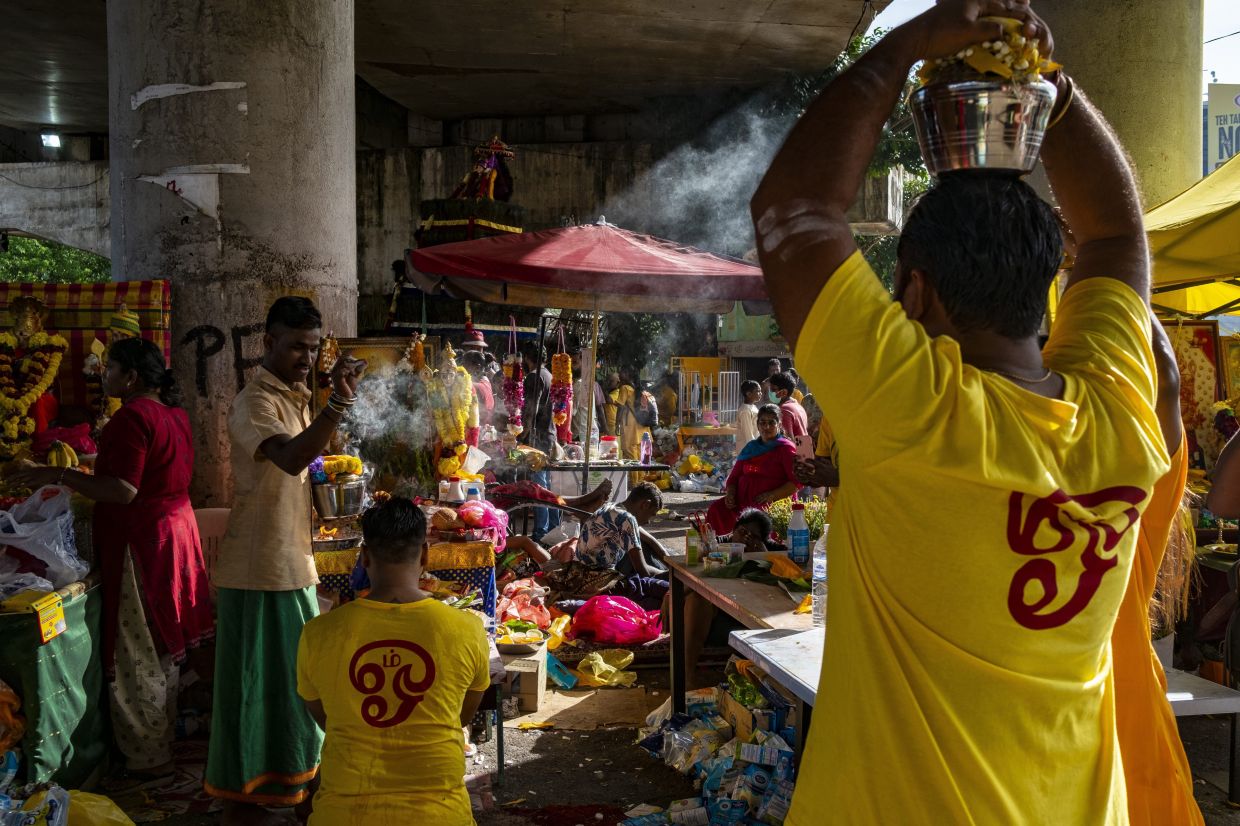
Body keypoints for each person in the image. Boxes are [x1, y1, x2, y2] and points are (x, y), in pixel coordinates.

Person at [750, 2, 1167, 821]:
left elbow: (796, 209)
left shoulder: (914, 410)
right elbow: (1118, 235)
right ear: (1045, 292)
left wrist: (906, 44)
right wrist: (1048, 85)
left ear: (914, 292)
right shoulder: (1122, 415)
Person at [9, 338, 214, 781]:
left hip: (142, 540)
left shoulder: (132, 416)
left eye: (111, 368)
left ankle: (148, 758)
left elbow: (123, 490)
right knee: (159, 647)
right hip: (174, 532)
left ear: (131, 377)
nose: (104, 375)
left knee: (135, 650)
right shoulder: (172, 414)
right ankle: (163, 741)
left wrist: (59, 475)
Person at [205, 297, 365, 823]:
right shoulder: (256, 402)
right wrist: (336, 405)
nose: (305, 356)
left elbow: (309, 463)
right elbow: (291, 457)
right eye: (296, 345)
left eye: (313, 348)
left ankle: (298, 783)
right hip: (259, 569)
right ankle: (246, 795)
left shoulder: (296, 396)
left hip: (293, 560)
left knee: (298, 684)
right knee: (256, 687)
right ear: (267, 341)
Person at [296, 499, 489, 825]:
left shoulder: (318, 633)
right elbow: (461, 716)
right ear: (426, 556)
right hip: (440, 815)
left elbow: (326, 718)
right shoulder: (467, 628)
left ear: (365, 558)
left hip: (344, 816)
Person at [1108, 317, 1203, 825]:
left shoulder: (1138, 495)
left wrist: (1107, 253)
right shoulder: (1138, 500)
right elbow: (1164, 373)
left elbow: (1164, 374)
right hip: (1126, 731)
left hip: (1127, 737)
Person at [507, 483, 669, 611]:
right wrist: (670, 574)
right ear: (645, 505)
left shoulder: (610, 508)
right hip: (599, 581)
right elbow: (643, 571)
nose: (648, 521)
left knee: (657, 586)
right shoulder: (627, 519)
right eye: (652, 514)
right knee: (661, 597)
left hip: (577, 574)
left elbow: (649, 544)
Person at [682, 508, 783, 683]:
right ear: (733, 530)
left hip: (750, 618)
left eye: (753, 536)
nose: (745, 538)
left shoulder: (769, 551)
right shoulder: (716, 545)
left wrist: (761, 553)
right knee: (696, 599)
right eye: (742, 532)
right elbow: (687, 579)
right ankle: (687, 675)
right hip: (718, 615)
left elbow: (784, 568)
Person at [705, 404, 799, 535]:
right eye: (763, 423)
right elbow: (734, 477)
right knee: (717, 509)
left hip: (772, 502)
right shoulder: (751, 447)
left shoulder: (786, 448)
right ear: (758, 424)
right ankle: (720, 549)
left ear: (779, 424)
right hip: (743, 501)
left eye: (771, 423)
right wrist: (730, 494)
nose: (766, 427)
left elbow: (796, 483)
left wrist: (771, 495)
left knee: (755, 521)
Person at [521, 342, 559, 539]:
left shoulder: (535, 377)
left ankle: (541, 532)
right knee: (548, 487)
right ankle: (553, 528)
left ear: (528, 358)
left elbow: (530, 410)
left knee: (540, 487)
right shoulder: (549, 375)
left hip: (538, 438)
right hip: (550, 436)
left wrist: (521, 433)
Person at [570, 351, 608, 443]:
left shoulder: (580, 384)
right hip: (589, 433)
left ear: (584, 364)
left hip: (580, 435)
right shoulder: (586, 383)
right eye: (571, 363)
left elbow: (571, 411)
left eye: (575, 363)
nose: (571, 366)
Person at [460, 350, 493, 446]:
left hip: (477, 437)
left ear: (477, 368)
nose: (462, 369)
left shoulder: (472, 386)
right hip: (486, 435)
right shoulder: (486, 381)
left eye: (465, 366)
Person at [768, 372, 807, 439]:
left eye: (773, 390)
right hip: (804, 449)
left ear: (784, 392)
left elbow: (787, 442)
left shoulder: (784, 410)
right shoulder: (797, 405)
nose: (770, 392)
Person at [735, 380, 762, 447]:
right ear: (749, 394)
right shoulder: (745, 411)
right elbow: (748, 435)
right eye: (758, 391)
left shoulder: (753, 407)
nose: (760, 393)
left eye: (760, 391)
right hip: (748, 449)